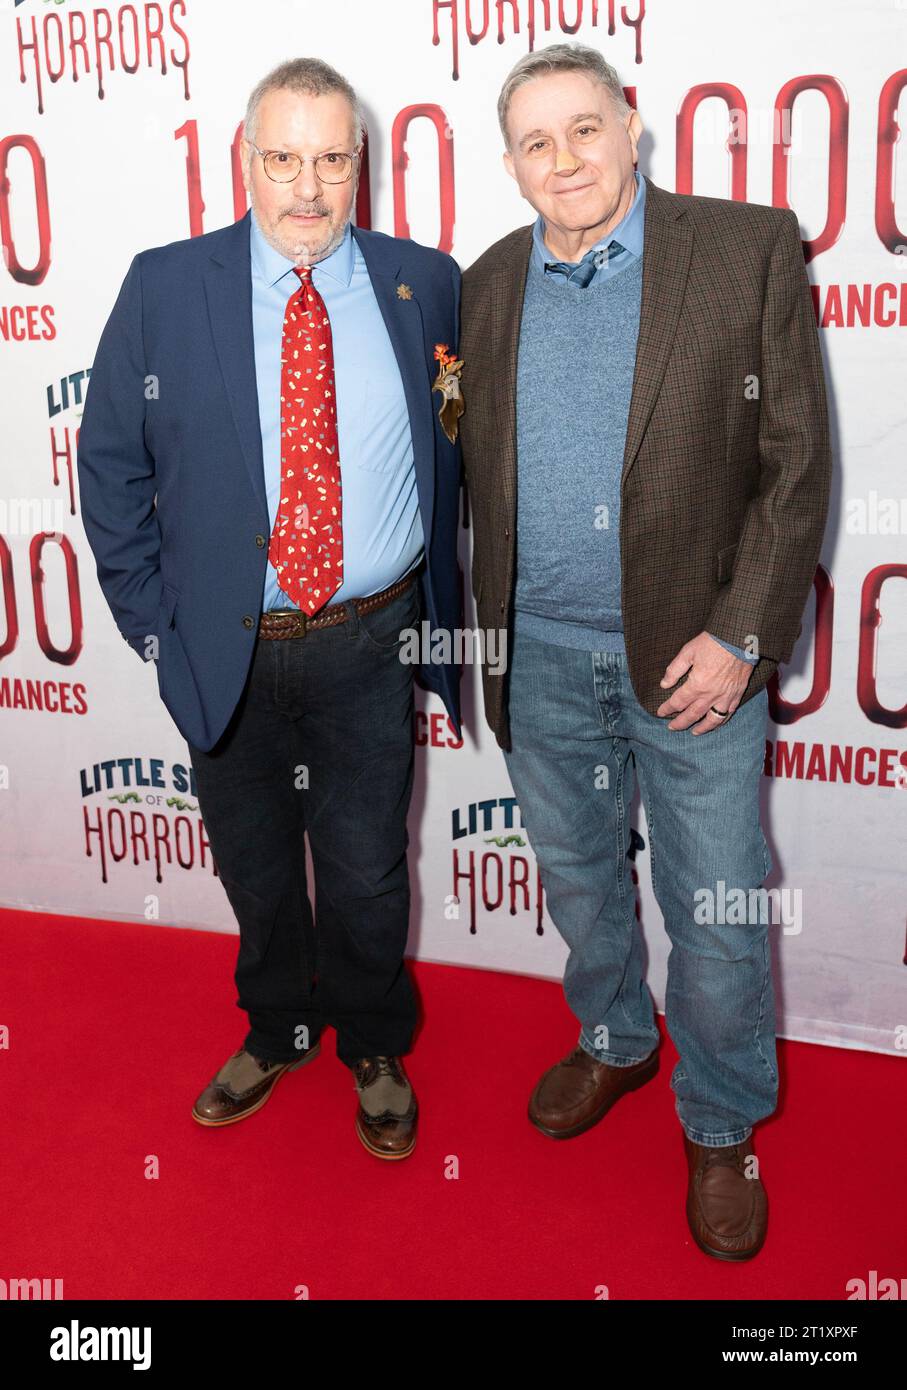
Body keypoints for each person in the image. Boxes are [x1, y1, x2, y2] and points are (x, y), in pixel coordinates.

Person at [458, 43, 831, 1256]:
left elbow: (794, 465)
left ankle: (720, 1121)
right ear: (510, 164)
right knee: (577, 881)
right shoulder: (488, 283)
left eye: (583, 129)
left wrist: (741, 635)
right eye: (535, 142)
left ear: (634, 126)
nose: (564, 159)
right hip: (542, 657)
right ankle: (616, 1036)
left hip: (695, 667)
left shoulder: (744, 245)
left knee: (715, 911)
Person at [77, 57, 463, 1161]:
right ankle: (279, 1025)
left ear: (361, 166)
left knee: (365, 864)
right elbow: (109, 465)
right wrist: (157, 624)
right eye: (283, 157)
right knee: (251, 862)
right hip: (224, 650)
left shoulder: (424, 282)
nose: (307, 185)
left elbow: (465, 452)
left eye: (330, 158)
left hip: (369, 641)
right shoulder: (164, 285)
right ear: (244, 160)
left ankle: (375, 1042)